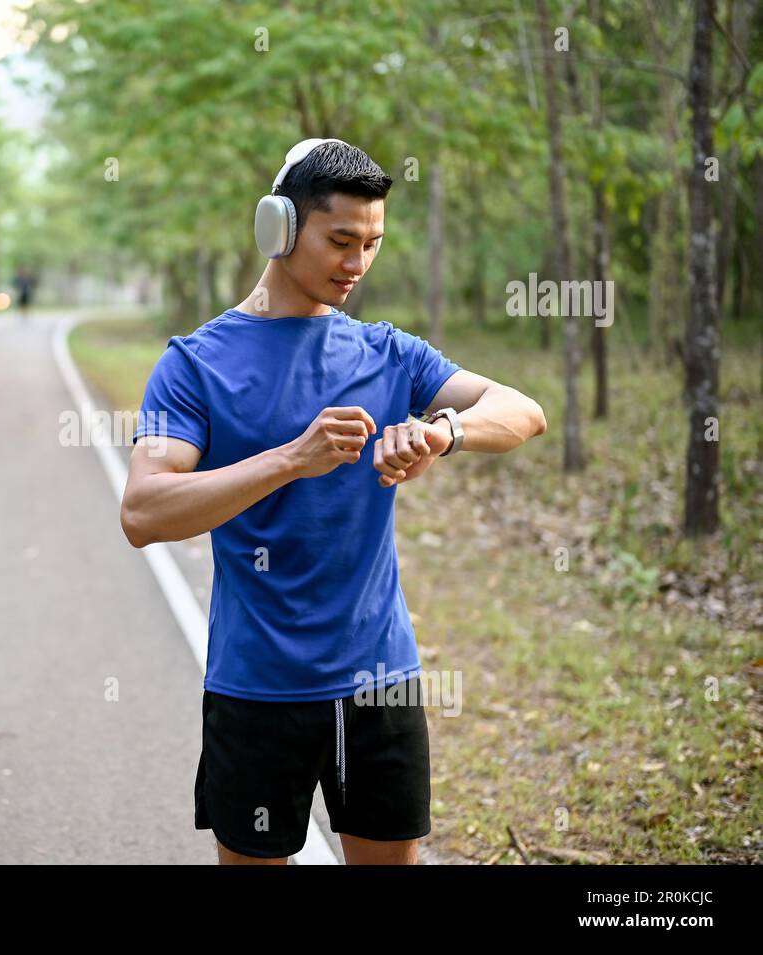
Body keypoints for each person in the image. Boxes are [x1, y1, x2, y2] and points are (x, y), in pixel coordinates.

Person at [120, 138, 548, 865]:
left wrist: (442, 433)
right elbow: (144, 511)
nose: (357, 264)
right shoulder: (194, 363)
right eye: (341, 241)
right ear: (279, 227)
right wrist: (291, 459)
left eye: (373, 244)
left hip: (380, 678)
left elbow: (522, 410)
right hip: (257, 685)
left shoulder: (389, 353)